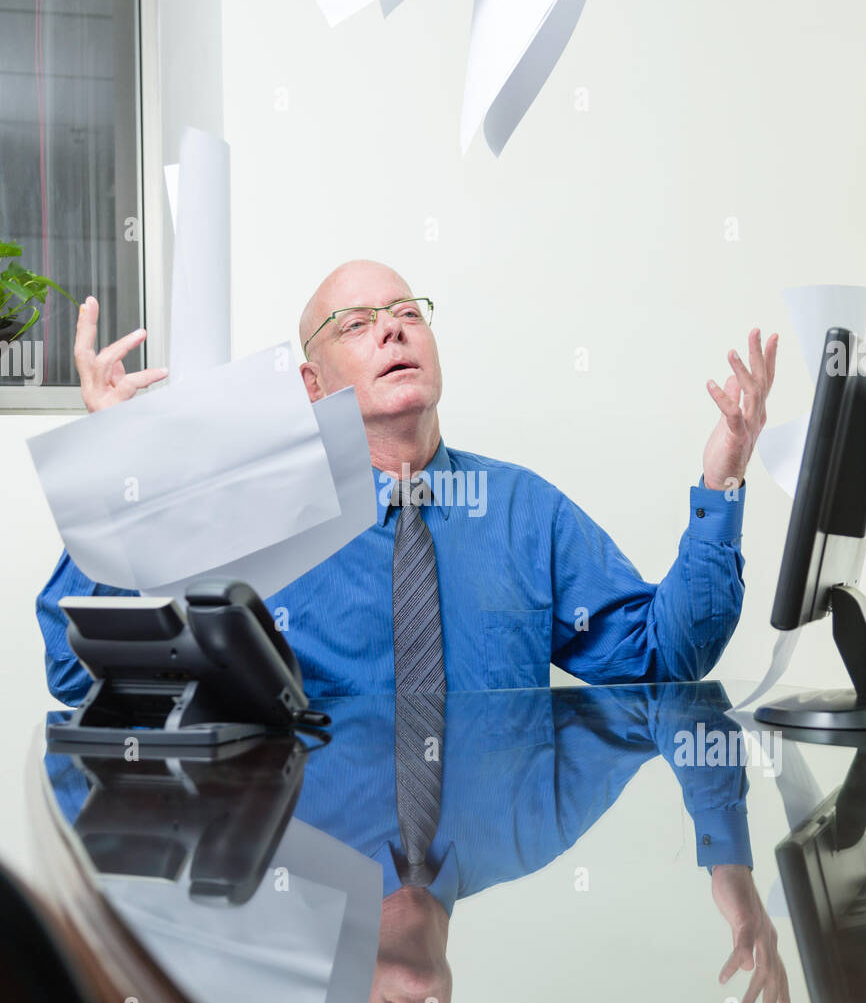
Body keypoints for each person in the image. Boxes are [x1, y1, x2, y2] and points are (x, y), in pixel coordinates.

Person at [36, 259, 778, 702]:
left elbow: (662, 657)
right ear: (310, 381)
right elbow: (82, 676)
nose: (392, 329)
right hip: (323, 869)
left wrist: (722, 483)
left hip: (482, 877)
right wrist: (115, 460)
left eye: (406, 314)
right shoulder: (253, 515)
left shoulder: (525, 514)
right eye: (356, 325)